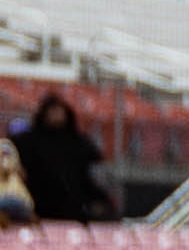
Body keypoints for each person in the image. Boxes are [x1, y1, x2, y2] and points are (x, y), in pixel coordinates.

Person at [10, 91, 113, 222]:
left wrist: (99, 200)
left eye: (59, 110)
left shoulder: (80, 143)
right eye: (52, 111)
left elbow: (92, 175)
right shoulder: (28, 142)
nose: (56, 115)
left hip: (72, 209)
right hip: (38, 207)